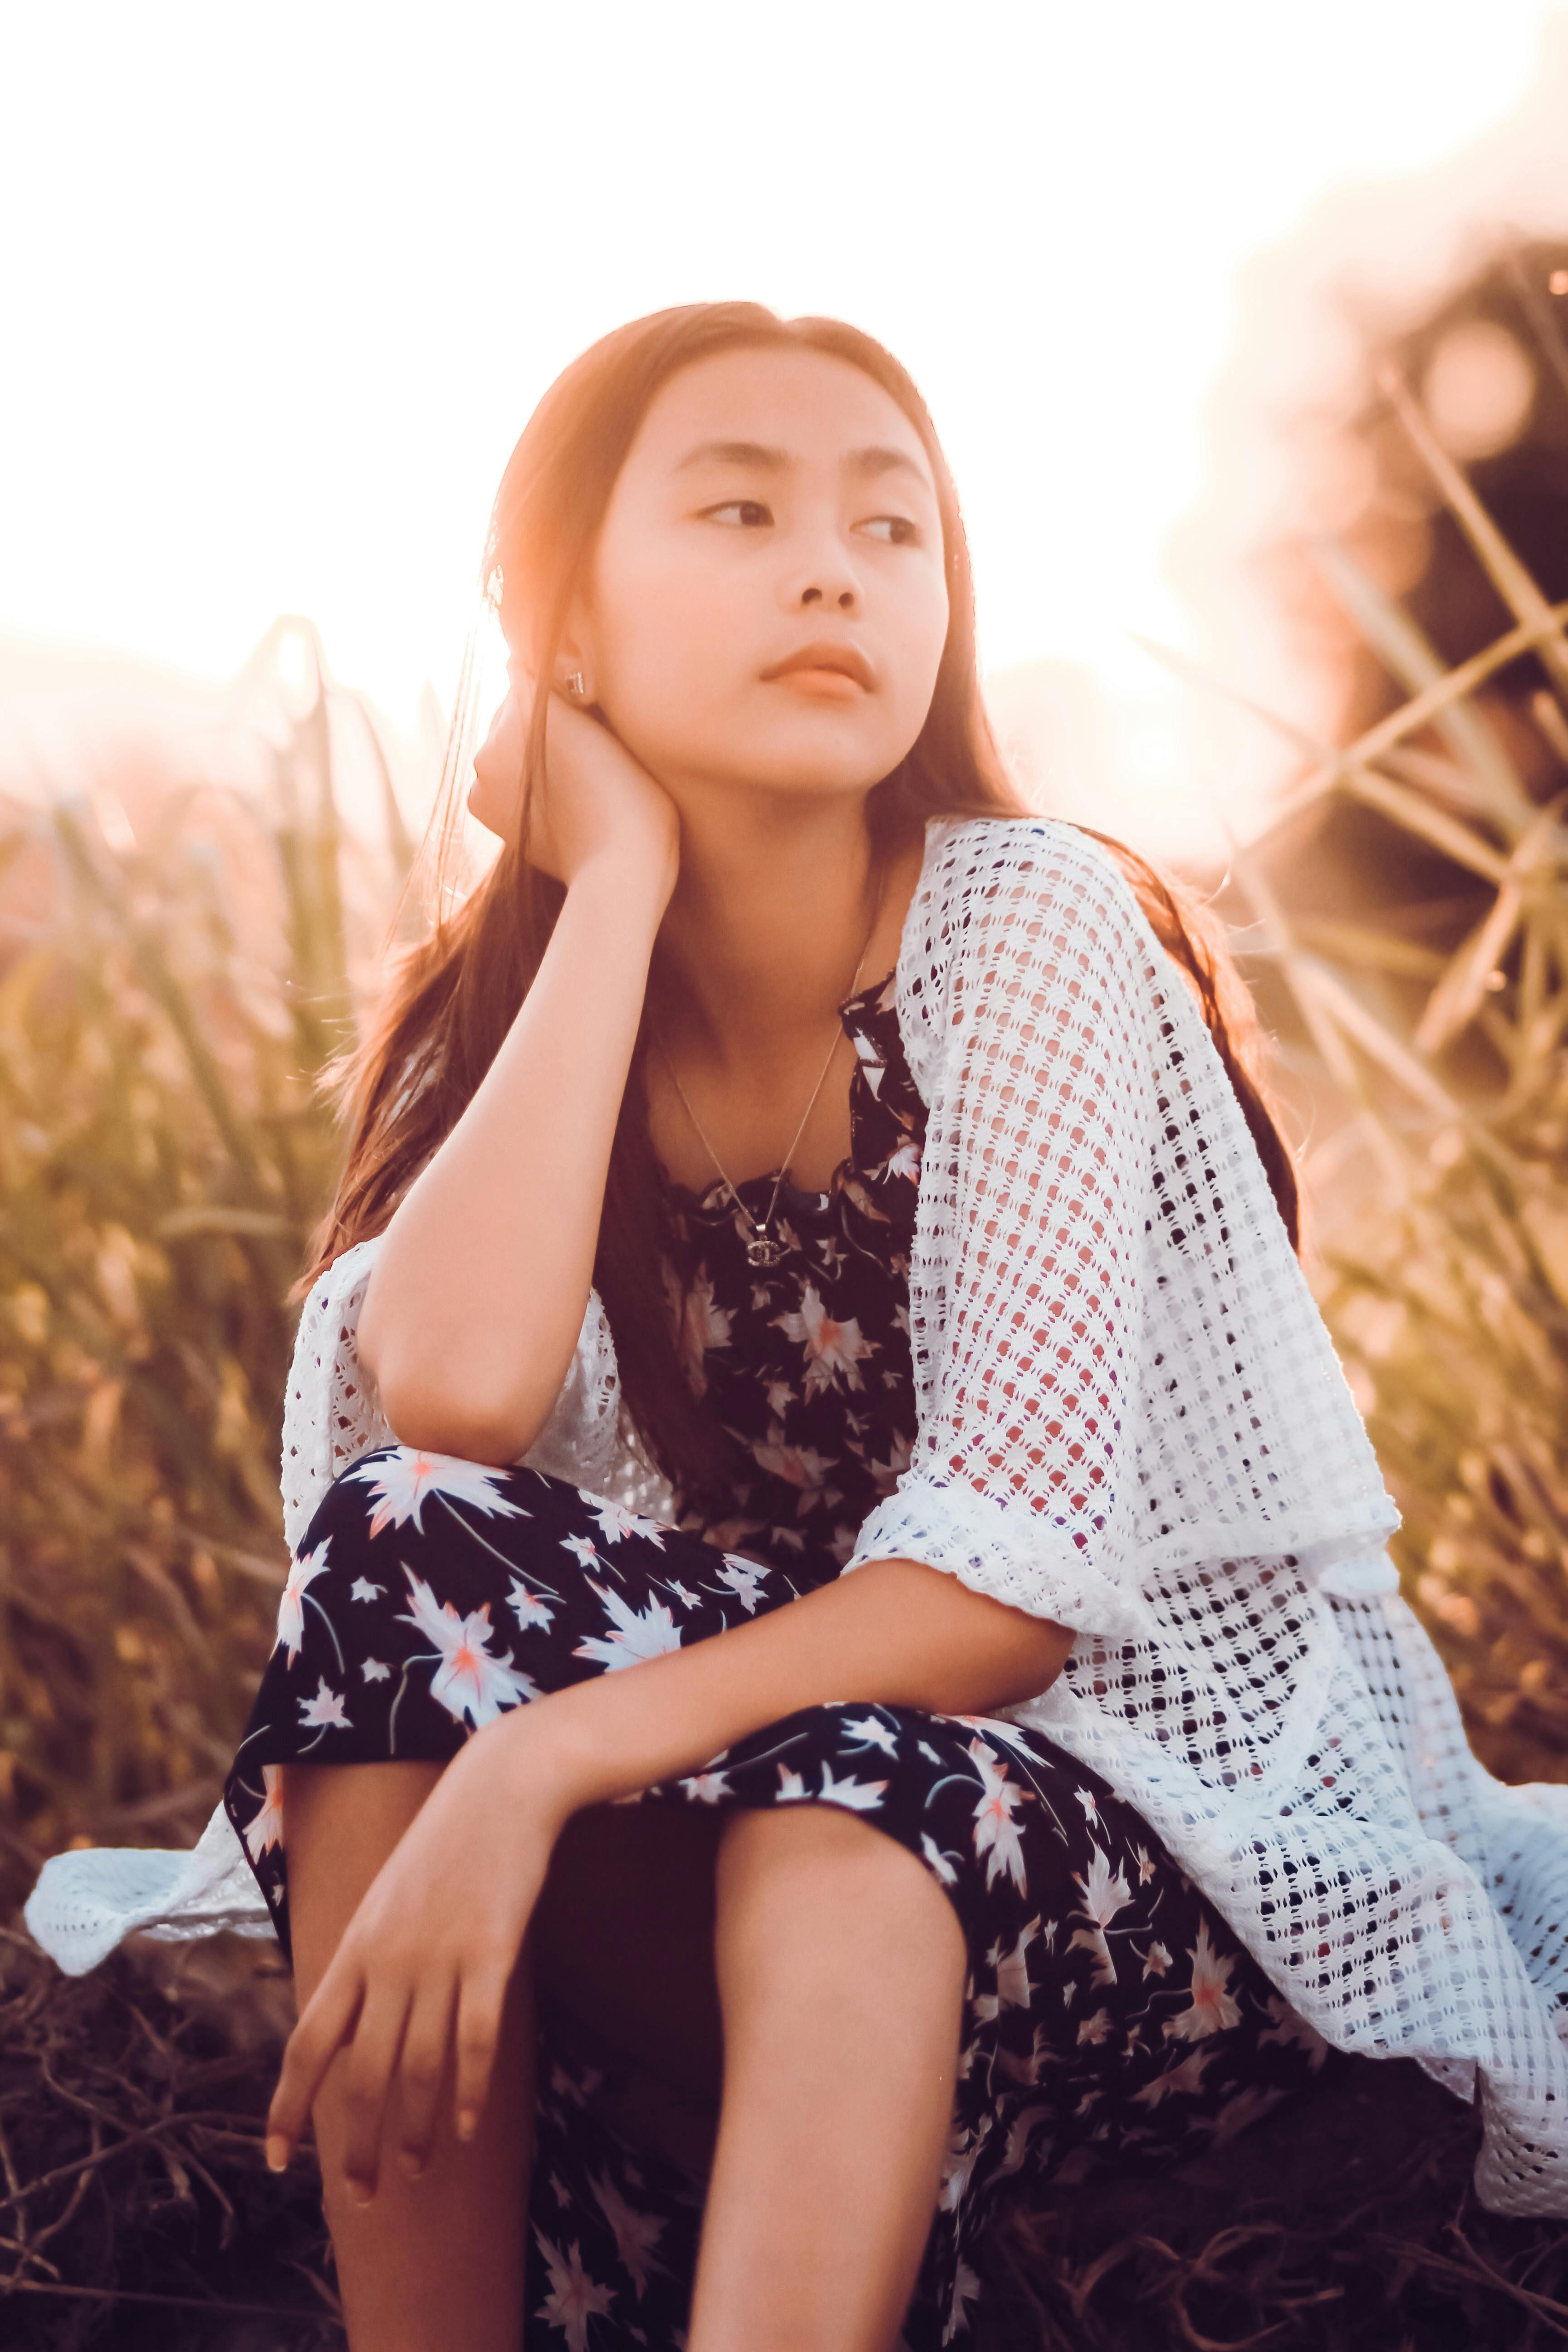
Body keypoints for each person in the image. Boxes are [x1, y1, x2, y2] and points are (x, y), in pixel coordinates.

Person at [24, 302, 1568, 2352]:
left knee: (852, 1809)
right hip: (774, 1822)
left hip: (1155, 1875)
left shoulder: (1026, 924)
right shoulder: (560, 1015)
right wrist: (617, 885)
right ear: (563, 625)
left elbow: (1008, 1593)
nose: (835, 567)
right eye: (740, 510)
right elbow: (453, 1412)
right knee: (410, 1562)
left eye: (893, 527)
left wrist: (534, 1771)